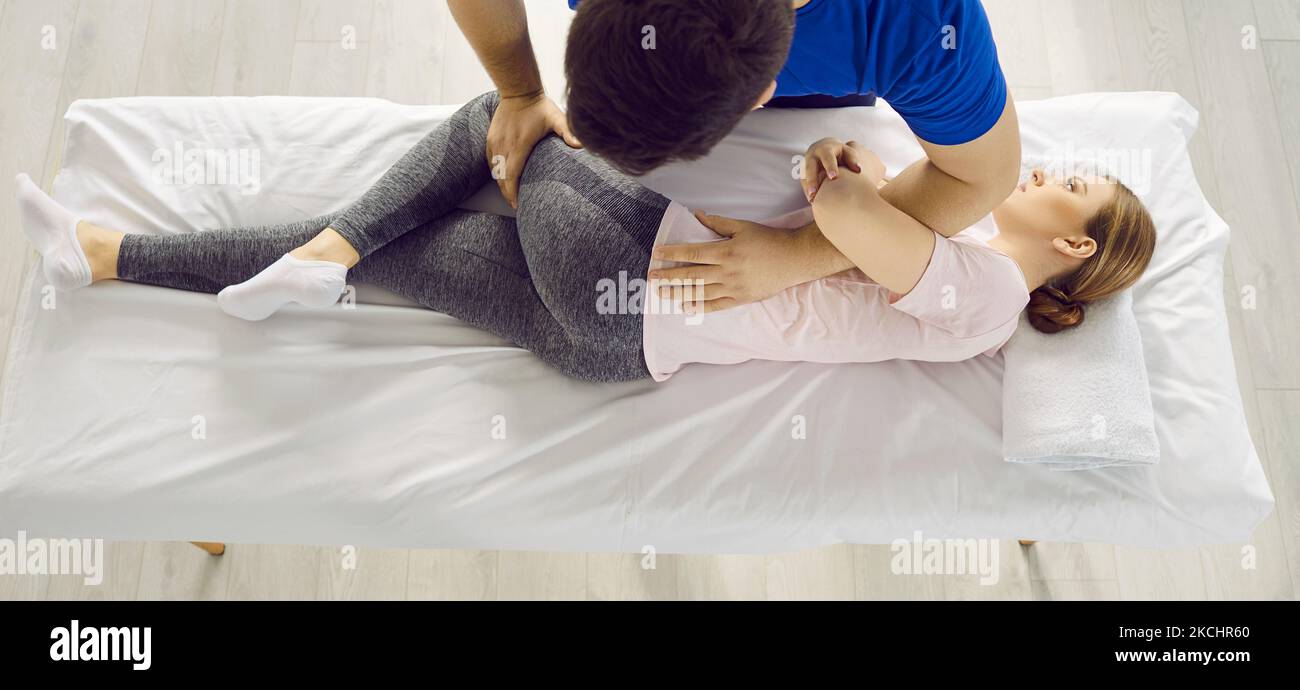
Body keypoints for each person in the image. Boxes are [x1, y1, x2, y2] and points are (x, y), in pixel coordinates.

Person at [16, 93, 1155, 383]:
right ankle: (109, 257)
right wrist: (844, 186)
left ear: (1070, 251)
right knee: (393, 256)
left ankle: (330, 251)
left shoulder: (992, 300)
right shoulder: (962, 265)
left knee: (499, 123)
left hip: (627, 279)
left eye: (1079, 190)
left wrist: (841, 185)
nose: (1053, 170)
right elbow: (856, 226)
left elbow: (851, 222)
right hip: (614, 339)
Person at [448, 0, 1022, 312]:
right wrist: (519, 90)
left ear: (761, 96)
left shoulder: (918, 22)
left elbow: (982, 179)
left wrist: (801, 255)